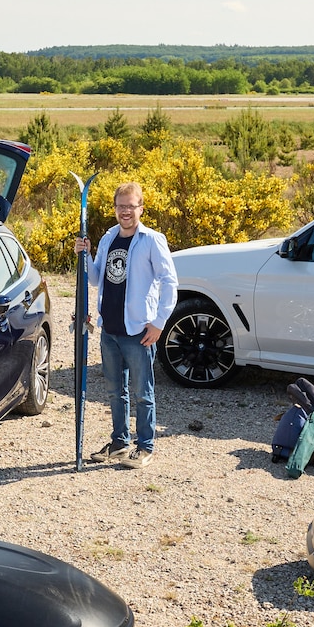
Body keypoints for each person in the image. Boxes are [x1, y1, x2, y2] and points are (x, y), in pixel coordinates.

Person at [73, 181, 179, 468]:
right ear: (115, 208)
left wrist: (159, 323)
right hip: (110, 330)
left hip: (138, 331)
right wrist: (85, 254)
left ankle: (145, 447)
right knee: (114, 390)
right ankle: (120, 442)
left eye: (131, 206)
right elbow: (96, 279)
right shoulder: (109, 238)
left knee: (142, 393)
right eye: (121, 206)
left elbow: (170, 282)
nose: (126, 212)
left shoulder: (152, 240)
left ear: (141, 208)